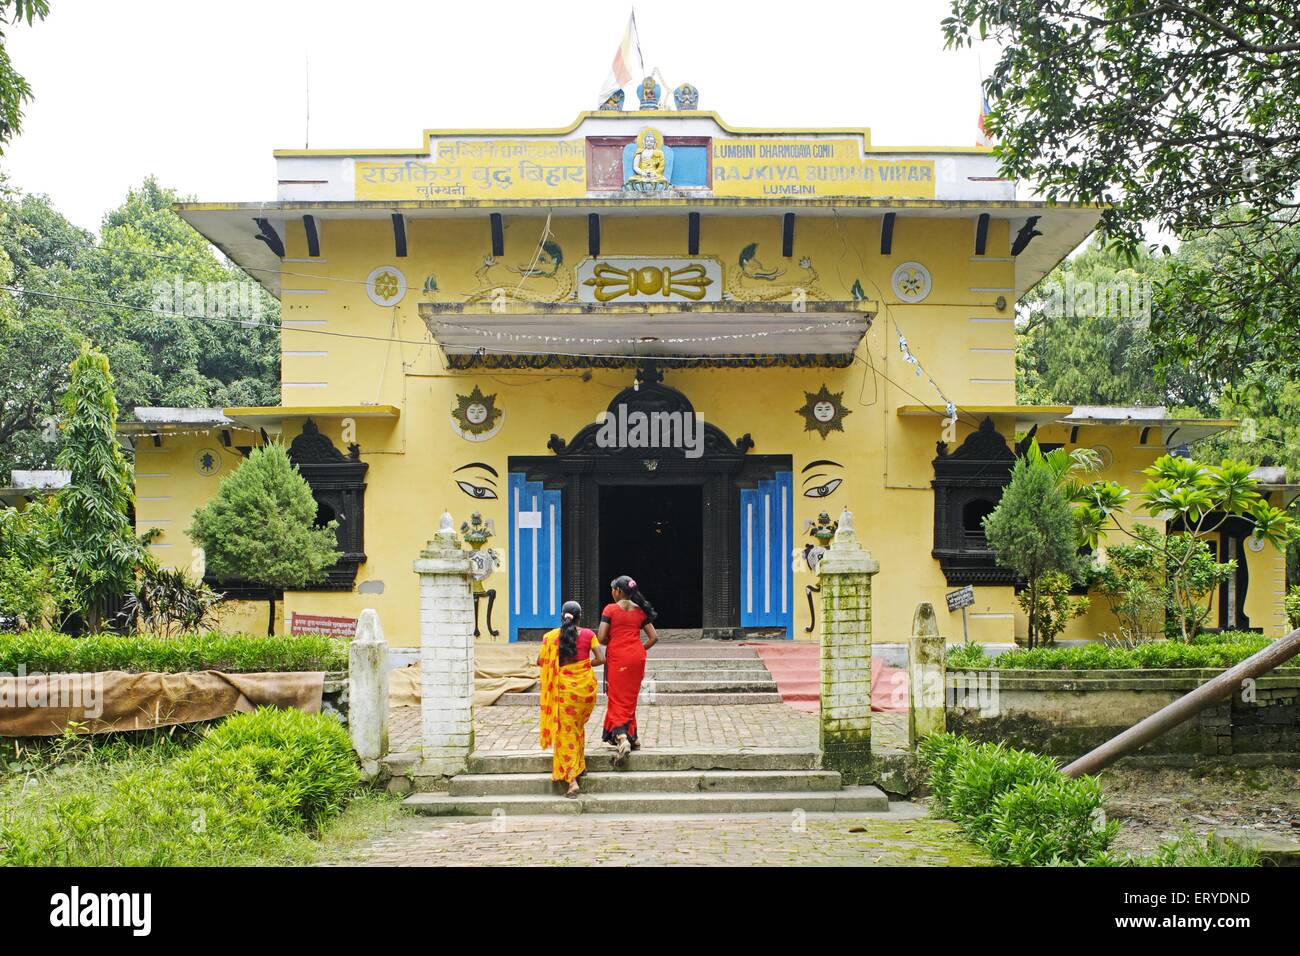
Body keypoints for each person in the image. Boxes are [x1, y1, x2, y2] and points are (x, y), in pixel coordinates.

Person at [537, 601, 604, 797]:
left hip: (563, 691)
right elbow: (601, 659)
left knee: (566, 733)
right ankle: (580, 766)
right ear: (579, 617)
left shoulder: (550, 638)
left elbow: (540, 661)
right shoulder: (589, 635)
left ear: (561, 616)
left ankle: (572, 780)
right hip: (584, 692)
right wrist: (584, 665)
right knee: (576, 727)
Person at [597, 574, 659, 765]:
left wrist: (614, 640)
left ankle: (622, 737)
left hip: (618, 657)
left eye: (612, 589)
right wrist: (640, 648)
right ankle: (634, 737)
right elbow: (654, 637)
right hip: (637, 657)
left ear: (617, 591)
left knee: (616, 697)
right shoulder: (640, 611)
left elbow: (600, 637)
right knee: (629, 697)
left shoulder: (610, 609)